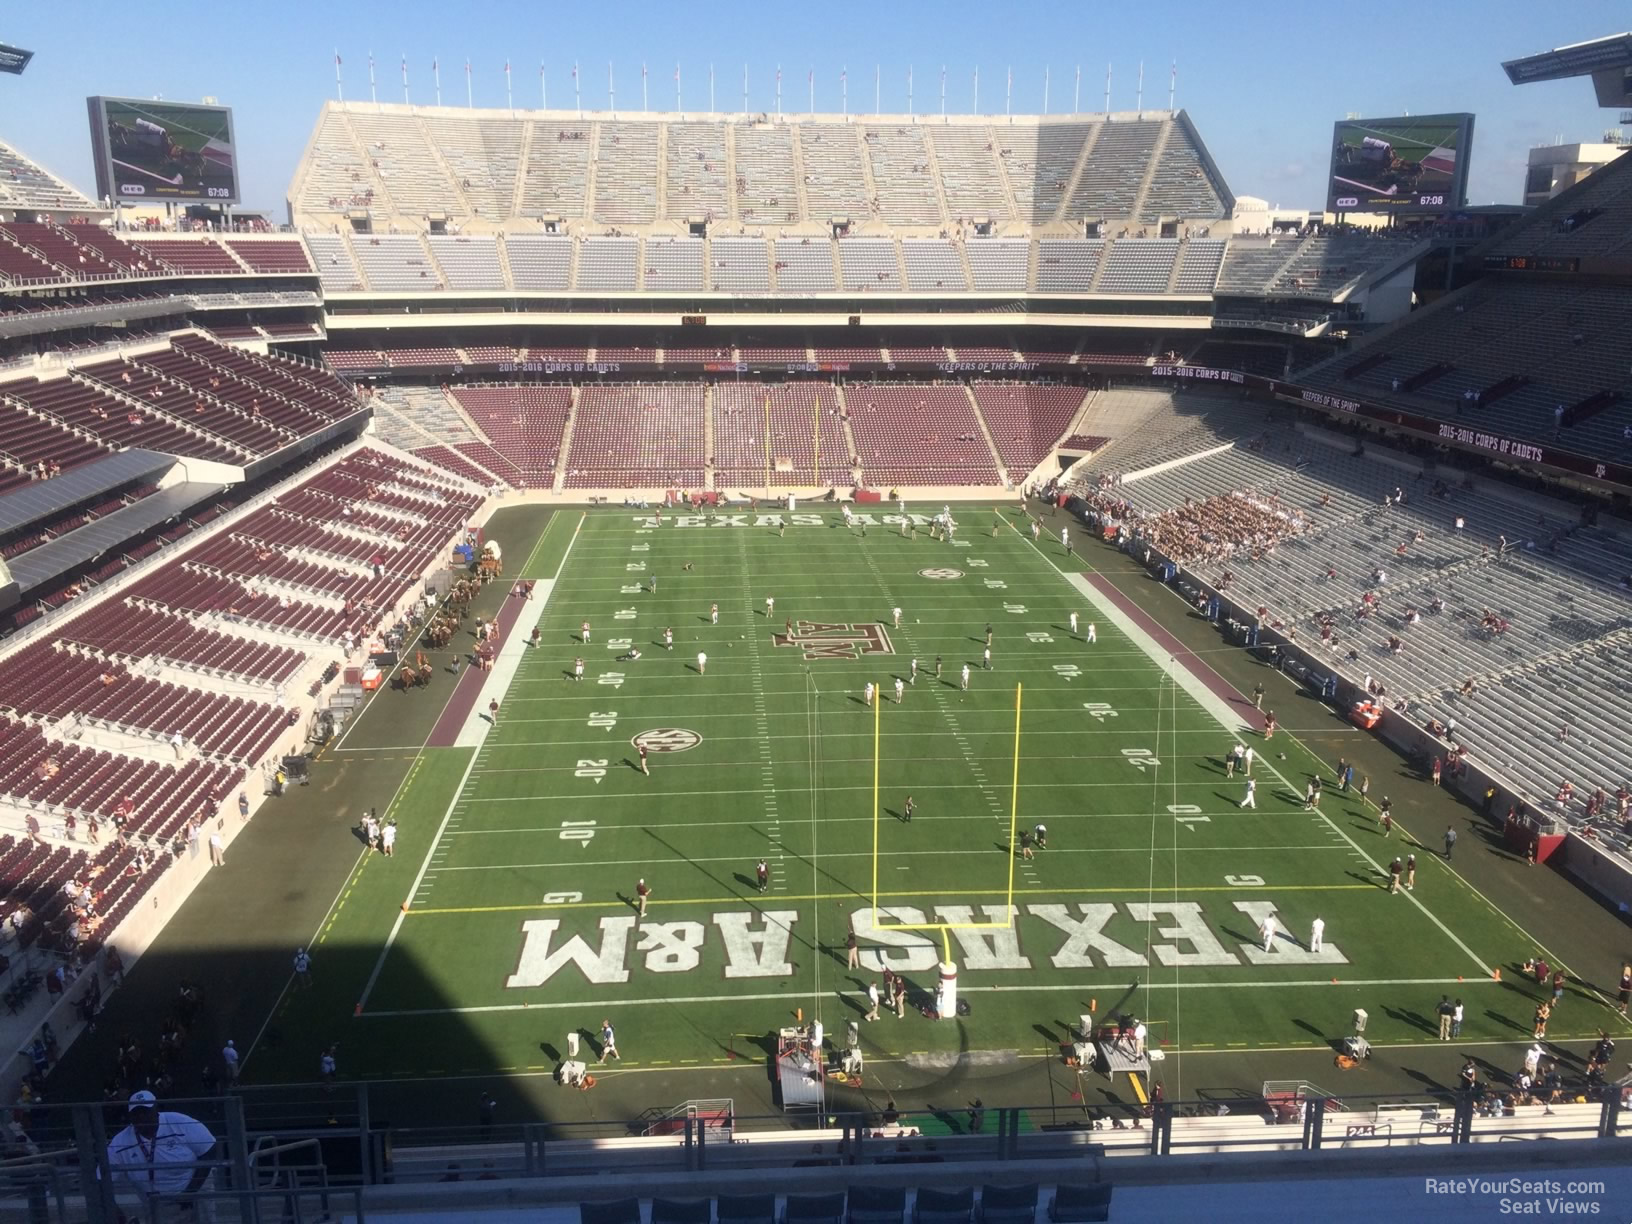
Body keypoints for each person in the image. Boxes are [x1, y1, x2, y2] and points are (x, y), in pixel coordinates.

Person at [104, 1090, 218, 1212]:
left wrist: (191, 1192)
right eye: (136, 1113)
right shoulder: (120, 1142)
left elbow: (209, 1149)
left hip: (195, 1189)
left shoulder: (180, 1122)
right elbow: (102, 1177)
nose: (141, 1117)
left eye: (145, 1112)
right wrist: (115, 1211)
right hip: (155, 1202)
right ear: (130, 1116)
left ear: (156, 1110)